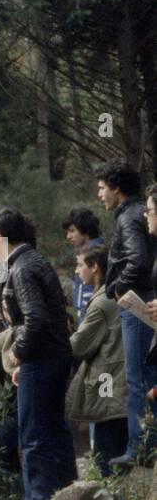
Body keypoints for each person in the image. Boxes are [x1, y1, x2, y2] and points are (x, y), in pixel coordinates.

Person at [0, 207, 75, 500]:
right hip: (55, 356)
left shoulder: (21, 268)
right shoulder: (36, 261)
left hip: (40, 358)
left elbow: (35, 320)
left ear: (0, 238)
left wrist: (17, 352)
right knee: (54, 429)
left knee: (33, 433)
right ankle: (68, 495)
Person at [96, 160, 156, 466]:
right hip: (142, 301)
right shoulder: (135, 214)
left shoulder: (129, 217)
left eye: (102, 188)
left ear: (116, 188)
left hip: (138, 304)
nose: (99, 195)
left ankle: (142, 448)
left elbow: (138, 260)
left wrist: (118, 288)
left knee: (139, 377)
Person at [64, 247, 127, 475]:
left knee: (106, 450)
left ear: (95, 267)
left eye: (80, 264)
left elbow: (79, 345)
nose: (77, 270)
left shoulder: (102, 303)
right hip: (117, 377)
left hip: (107, 380)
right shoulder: (115, 294)